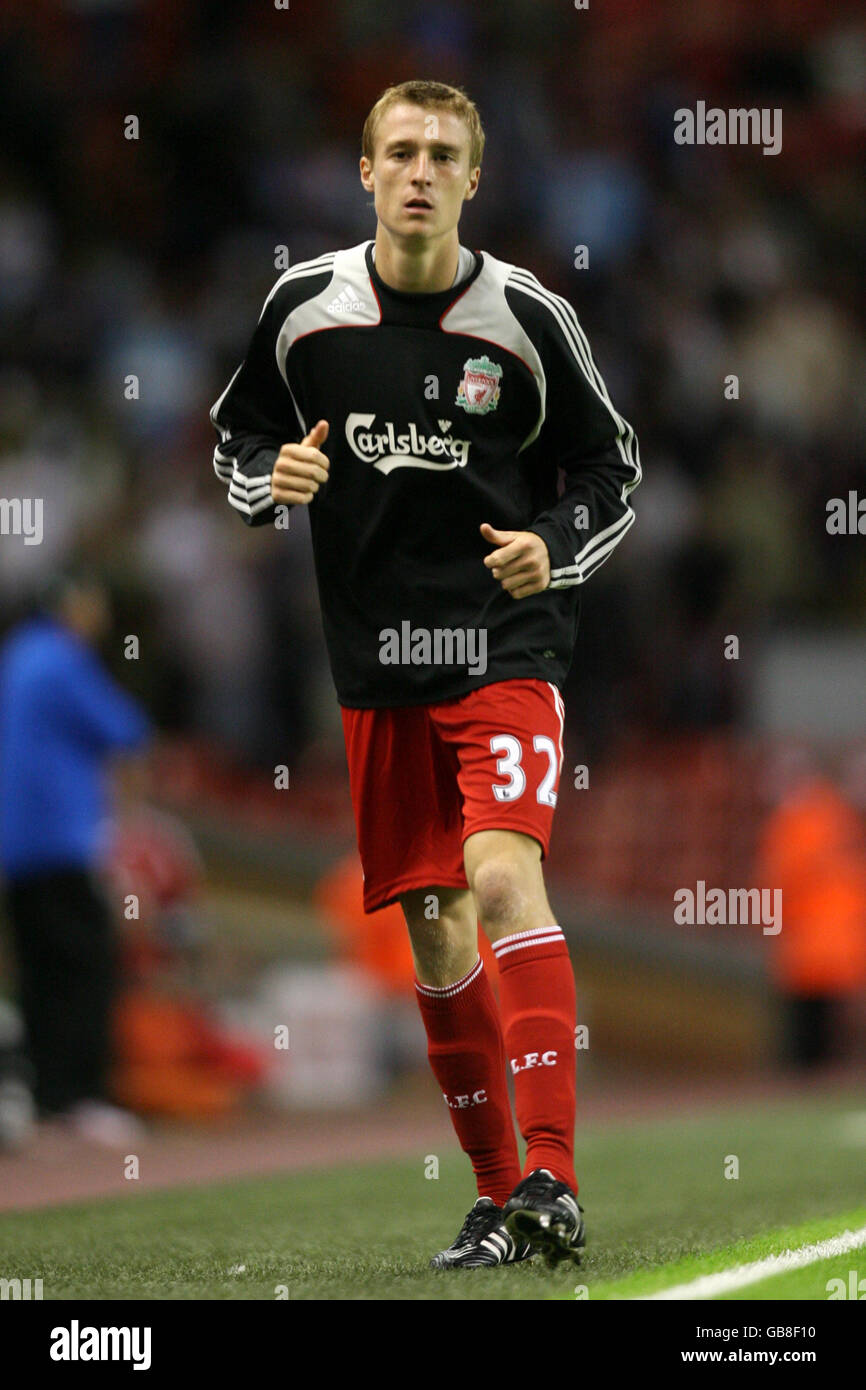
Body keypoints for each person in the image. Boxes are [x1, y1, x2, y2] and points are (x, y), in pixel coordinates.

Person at [211, 80, 640, 1268]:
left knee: (502, 879)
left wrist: (553, 546)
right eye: (396, 150)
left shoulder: (526, 319)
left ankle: (551, 1172)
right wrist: (267, 481)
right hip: (375, 664)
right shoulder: (303, 310)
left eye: (440, 154)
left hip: (503, 646)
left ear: (470, 177)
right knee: (434, 927)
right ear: (362, 173)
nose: (416, 169)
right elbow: (236, 431)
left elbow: (612, 466)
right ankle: (500, 1196)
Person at [0, 570, 151, 1145]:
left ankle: (44, 1100)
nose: (101, 615)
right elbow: (127, 729)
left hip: (17, 848)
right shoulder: (62, 656)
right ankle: (82, 1098)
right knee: (86, 968)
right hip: (61, 842)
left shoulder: (18, 655)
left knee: (40, 974)